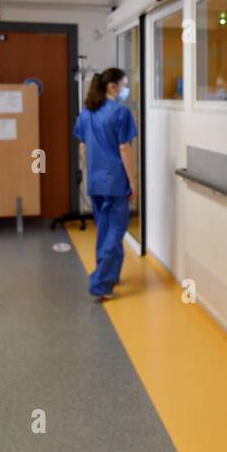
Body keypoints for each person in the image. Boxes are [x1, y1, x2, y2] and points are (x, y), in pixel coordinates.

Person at [73, 67, 138, 301]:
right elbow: (124, 148)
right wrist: (133, 181)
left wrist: (91, 169)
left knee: (104, 230)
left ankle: (110, 275)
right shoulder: (120, 112)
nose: (125, 89)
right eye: (124, 84)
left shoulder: (87, 113)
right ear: (112, 86)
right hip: (115, 181)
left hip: (96, 180)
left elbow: (82, 147)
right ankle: (101, 283)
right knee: (116, 230)